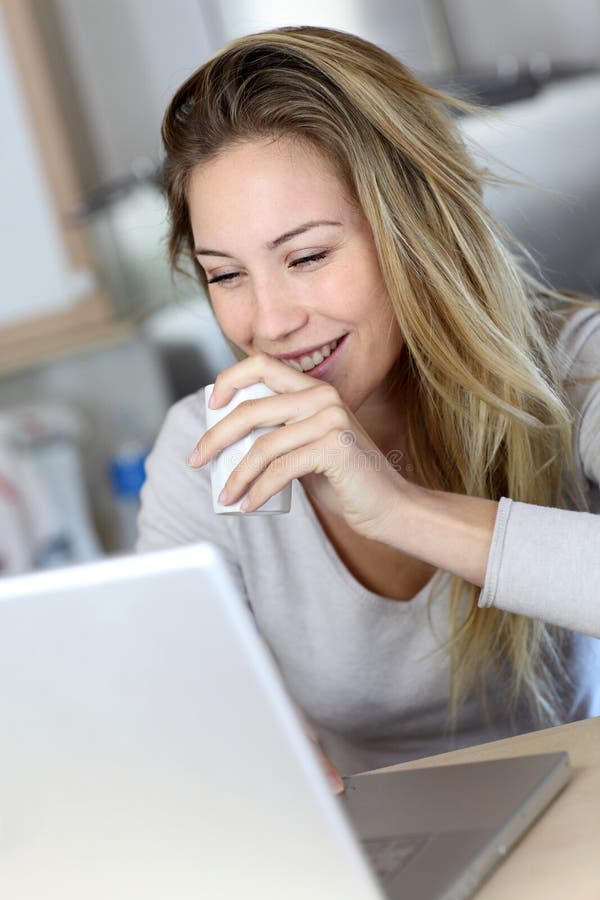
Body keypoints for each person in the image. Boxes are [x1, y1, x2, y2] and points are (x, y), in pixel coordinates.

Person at [137, 26, 600, 788]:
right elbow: (168, 696)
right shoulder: (207, 447)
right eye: (226, 276)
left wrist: (397, 508)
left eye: (308, 257)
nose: (269, 322)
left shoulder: (574, 368)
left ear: (415, 232)